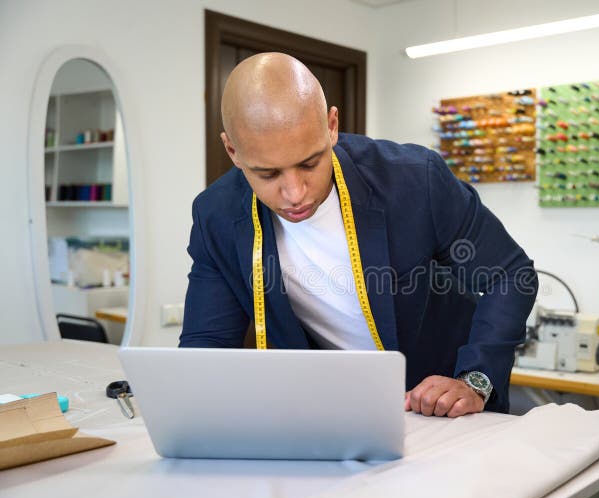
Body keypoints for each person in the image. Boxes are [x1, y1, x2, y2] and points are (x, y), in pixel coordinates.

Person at [179, 52, 537, 417]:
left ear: (332, 126)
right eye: (267, 174)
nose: (295, 193)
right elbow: (207, 343)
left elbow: (510, 274)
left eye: (310, 163)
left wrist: (475, 379)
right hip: (333, 413)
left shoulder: (414, 180)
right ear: (232, 151)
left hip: (445, 410)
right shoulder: (216, 216)